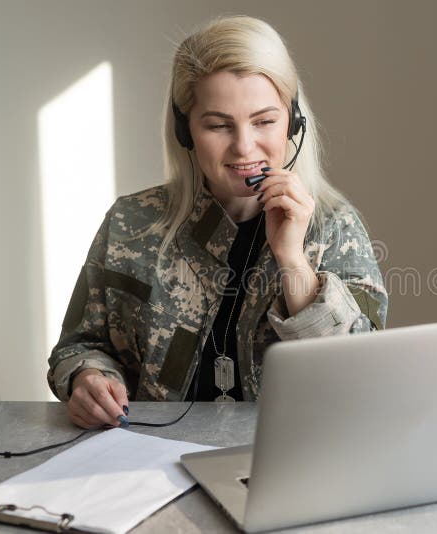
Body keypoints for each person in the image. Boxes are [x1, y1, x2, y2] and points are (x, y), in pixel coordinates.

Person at [47, 15, 388, 429]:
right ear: (185, 129)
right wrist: (88, 378)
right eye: (218, 125)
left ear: (293, 122)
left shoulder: (335, 228)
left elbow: (360, 381)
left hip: (285, 458)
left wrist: (292, 261)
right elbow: (81, 345)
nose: (245, 147)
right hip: (153, 459)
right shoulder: (130, 223)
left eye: (264, 121)